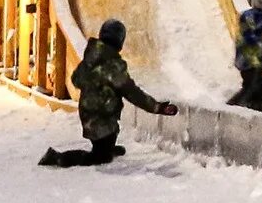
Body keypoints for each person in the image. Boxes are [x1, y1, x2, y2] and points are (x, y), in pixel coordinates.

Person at [41, 18, 177, 166]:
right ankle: (58, 158)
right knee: (100, 158)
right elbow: (132, 92)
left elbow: (76, 80)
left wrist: (94, 80)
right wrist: (157, 107)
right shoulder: (113, 66)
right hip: (101, 118)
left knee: (105, 140)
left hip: (89, 113)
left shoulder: (91, 59)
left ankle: (106, 148)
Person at [229, 6, 262, 110]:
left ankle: (252, 108)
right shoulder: (253, 16)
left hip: (255, 59)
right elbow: (252, 35)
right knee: (254, 87)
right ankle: (232, 108)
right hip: (249, 59)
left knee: (258, 88)